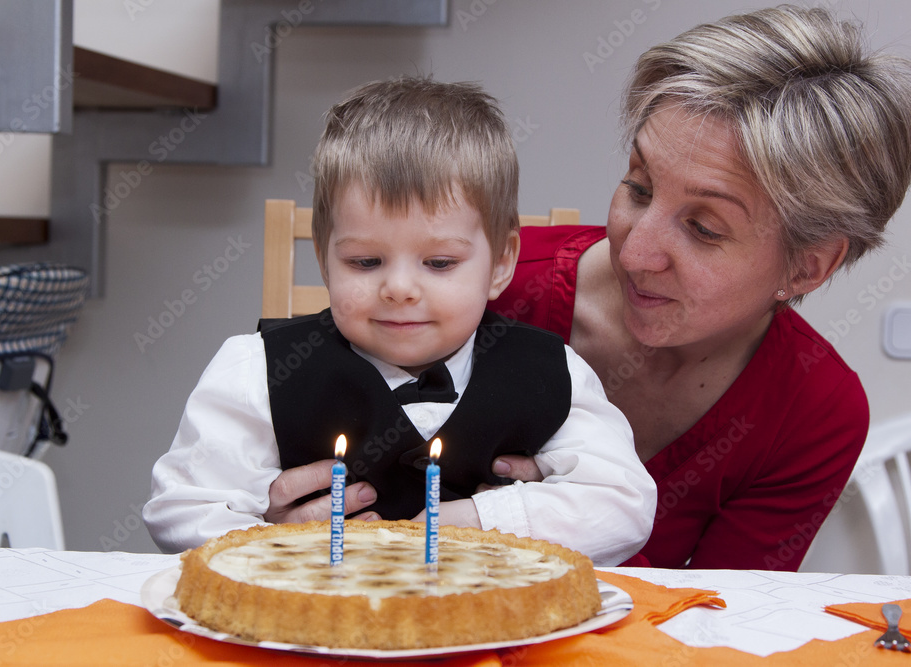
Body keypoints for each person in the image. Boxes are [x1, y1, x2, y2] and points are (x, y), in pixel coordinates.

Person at [263, 5, 911, 571]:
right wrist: (274, 525)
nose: (635, 248)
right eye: (639, 185)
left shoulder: (816, 412)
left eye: (705, 227)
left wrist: (564, 523)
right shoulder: (479, 288)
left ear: (808, 268)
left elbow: (719, 613)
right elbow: (297, 453)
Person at [143, 77, 656, 565]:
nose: (400, 288)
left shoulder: (551, 370)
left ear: (501, 263)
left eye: (439, 263)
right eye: (366, 262)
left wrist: (488, 519)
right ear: (325, 258)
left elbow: (624, 504)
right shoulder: (256, 370)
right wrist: (270, 541)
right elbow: (182, 508)